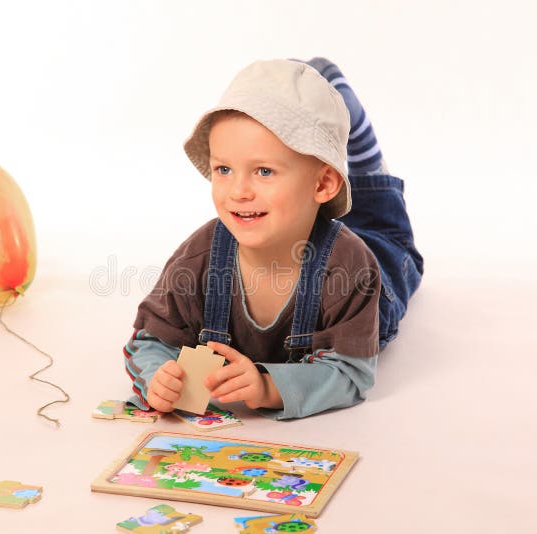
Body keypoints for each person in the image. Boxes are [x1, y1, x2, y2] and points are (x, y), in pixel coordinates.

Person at [122, 57, 423, 420]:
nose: (238, 191)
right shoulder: (198, 259)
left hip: (375, 275)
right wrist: (158, 377)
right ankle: (314, 100)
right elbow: (151, 340)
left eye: (264, 171)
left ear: (324, 183)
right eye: (224, 169)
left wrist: (270, 387)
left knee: (387, 237)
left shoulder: (350, 267)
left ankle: (362, 151)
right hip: (305, 216)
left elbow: (350, 373)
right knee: (330, 211)